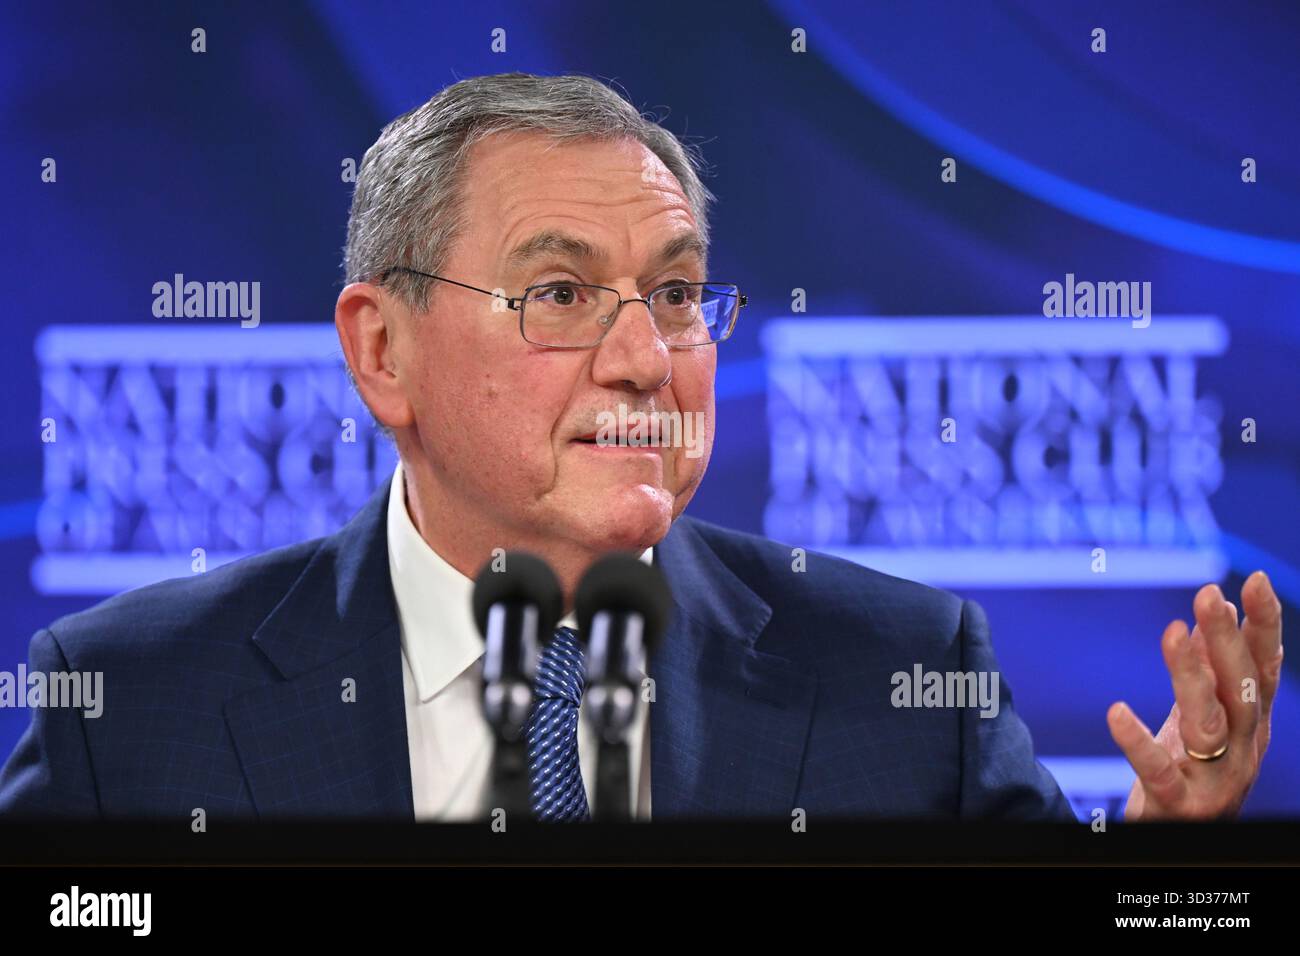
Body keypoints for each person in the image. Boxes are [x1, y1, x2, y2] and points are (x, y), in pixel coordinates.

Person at [0, 73, 1281, 822]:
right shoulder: (129, 714)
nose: (644, 357)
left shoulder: (906, 680)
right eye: (558, 294)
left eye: (675, 293)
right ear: (382, 352)